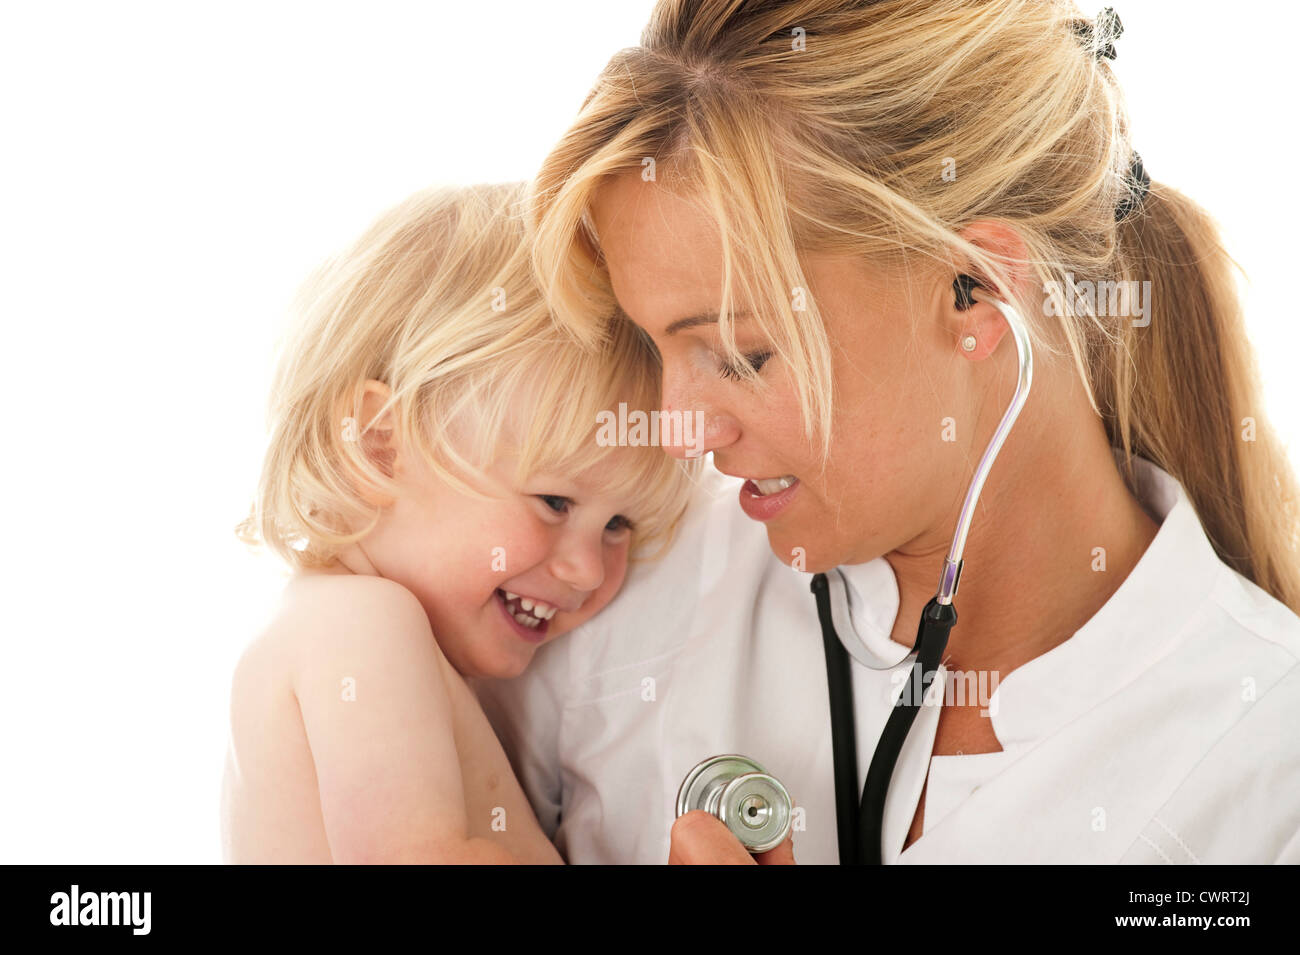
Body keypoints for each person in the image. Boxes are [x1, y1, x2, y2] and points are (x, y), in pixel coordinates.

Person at [473, 0, 1300, 864]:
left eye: (741, 353)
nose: (682, 431)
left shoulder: (1269, 775)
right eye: (656, 350)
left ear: (975, 289)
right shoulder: (615, 579)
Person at [221, 182, 695, 863]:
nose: (588, 567)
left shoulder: (348, 626)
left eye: (618, 524)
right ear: (379, 444)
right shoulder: (362, 626)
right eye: (555, 503)